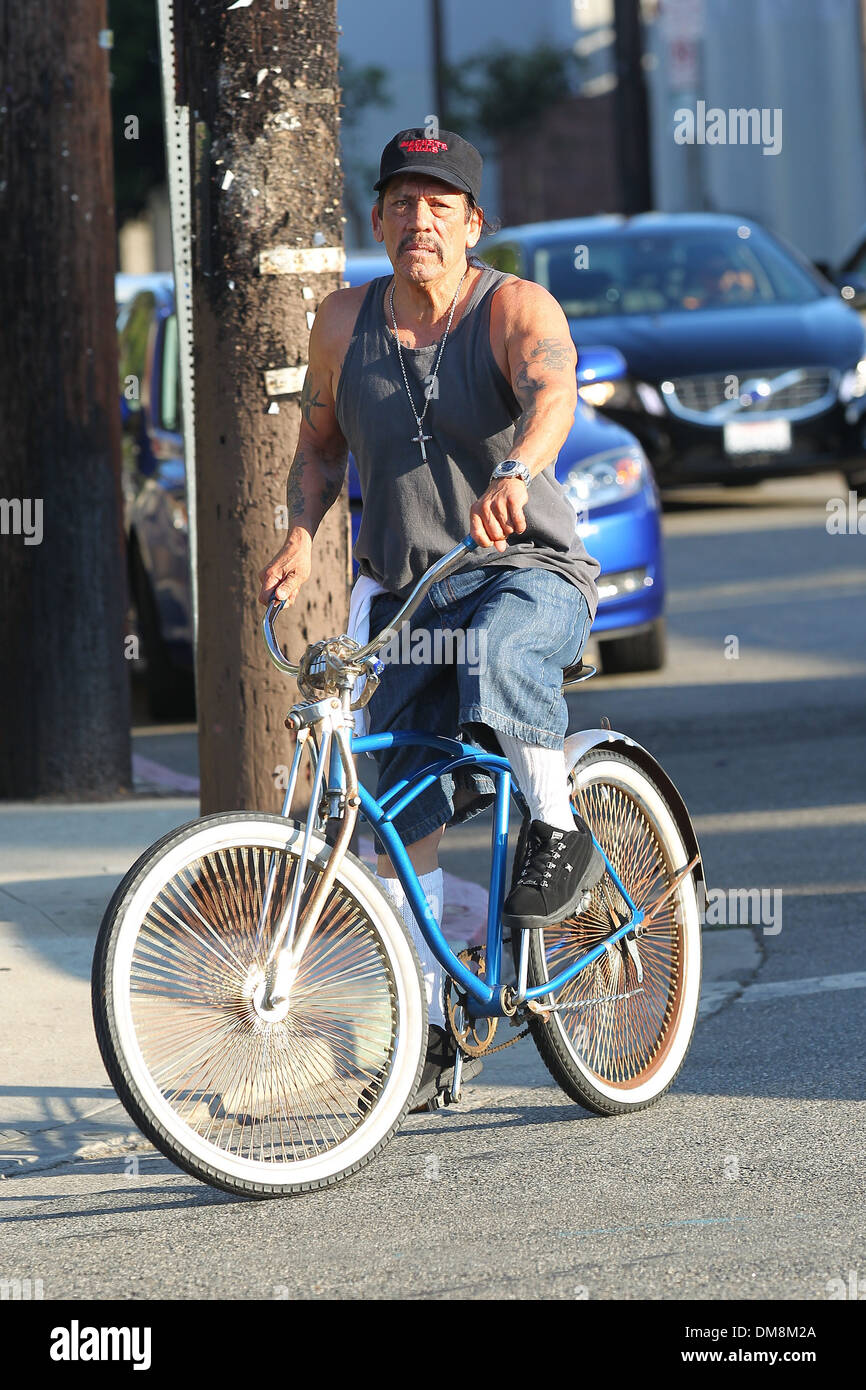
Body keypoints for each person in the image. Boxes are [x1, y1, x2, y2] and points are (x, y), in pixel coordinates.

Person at [259, 128, 602, 1107]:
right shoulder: (341, 324)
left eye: (438, 205)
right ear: (376, 219)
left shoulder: (511, 309)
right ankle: (426, 1024)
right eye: (401, 204)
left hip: (526, 571)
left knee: (498, 652)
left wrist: (513, 469)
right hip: (408, 592)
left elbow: (554, 395)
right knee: (398, 809)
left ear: (470, 224)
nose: (418, 221)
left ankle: (556, 833)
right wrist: (296, 531)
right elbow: (319, 448)